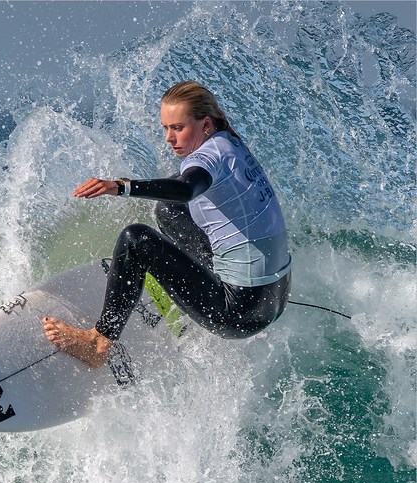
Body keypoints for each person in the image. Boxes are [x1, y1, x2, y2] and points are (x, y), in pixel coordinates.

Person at [42, 81, 291, 368]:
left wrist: (120, 186)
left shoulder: (207, 157)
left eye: (178, 128)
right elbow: (178, 190)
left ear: (205, 123)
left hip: (236, 312)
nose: (169, 138)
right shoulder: (229, 144)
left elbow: (185, 188)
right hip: (274, 296)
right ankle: (192, 284)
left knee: (136, 239)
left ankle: (99, 343)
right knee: (168, 209)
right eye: (165, 128)